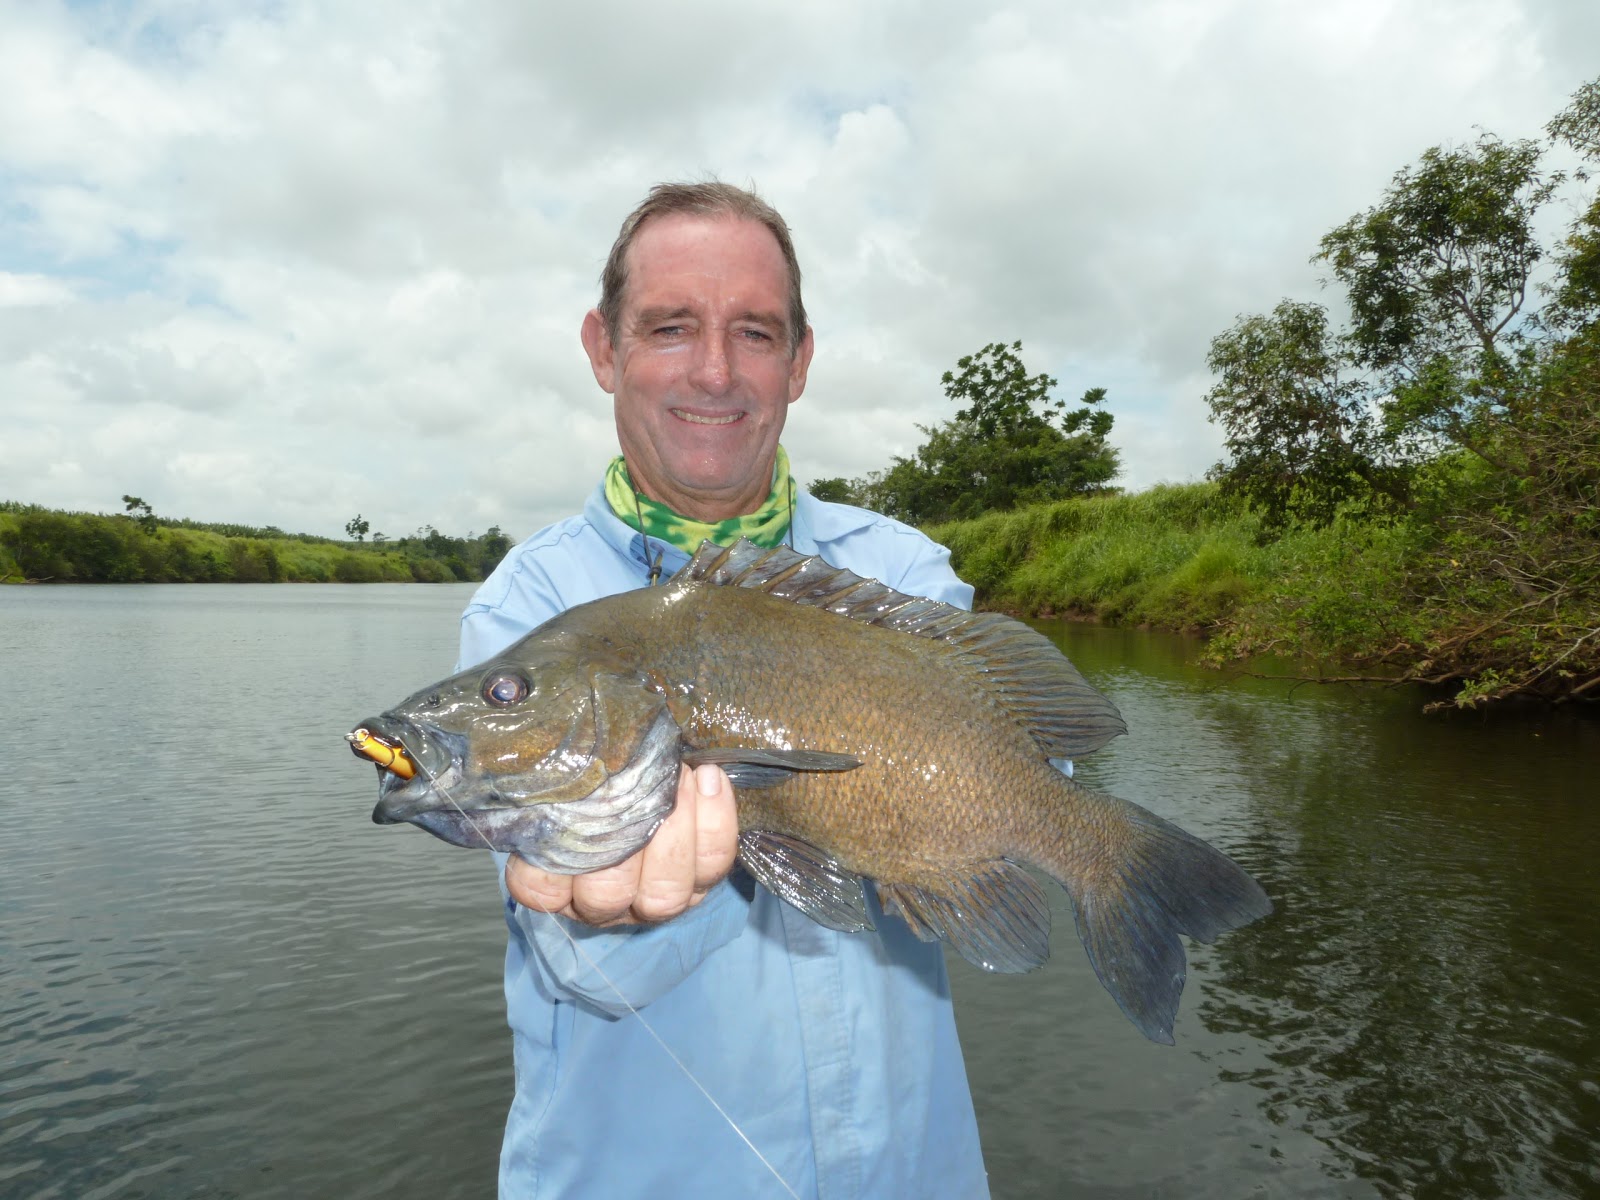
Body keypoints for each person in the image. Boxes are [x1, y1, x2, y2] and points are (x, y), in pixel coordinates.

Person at [457, 181, 990, 1199]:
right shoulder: (529, 613)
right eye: (669, 327)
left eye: (754, 332)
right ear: (602, 349)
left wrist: (1023, 821)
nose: (714, 370)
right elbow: (579, 964)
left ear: (798, 362)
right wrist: (611, 904)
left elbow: (1016, 774)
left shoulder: (904, 571)